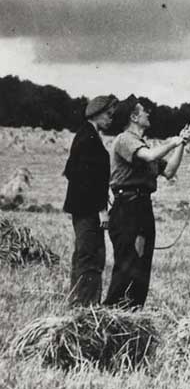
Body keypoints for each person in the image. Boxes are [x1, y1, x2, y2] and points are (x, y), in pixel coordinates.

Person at [104, 98, 190, 309]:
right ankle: (112, 312)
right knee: (127, 264)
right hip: (127, 207)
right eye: (144, 111)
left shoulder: (143, 145)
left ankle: (135, 313)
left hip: (142, 206)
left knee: (142, 266)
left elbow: (169, 171)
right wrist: (173, 142)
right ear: (134, 117)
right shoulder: (124, 140)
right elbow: (150, 156)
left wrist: (181, 143)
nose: (148, 114)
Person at [62, 94, 118, 306]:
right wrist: (101, 209)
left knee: (85, 255)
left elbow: (72, 172)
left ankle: (81, 303)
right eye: (108, 114)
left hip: (83, 208)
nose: (111, 119)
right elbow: (85, 179)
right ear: (97, 114)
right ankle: (85, 307)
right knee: (91, 256)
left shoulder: (86, 135)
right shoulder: (89, 139)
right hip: (88, 211)